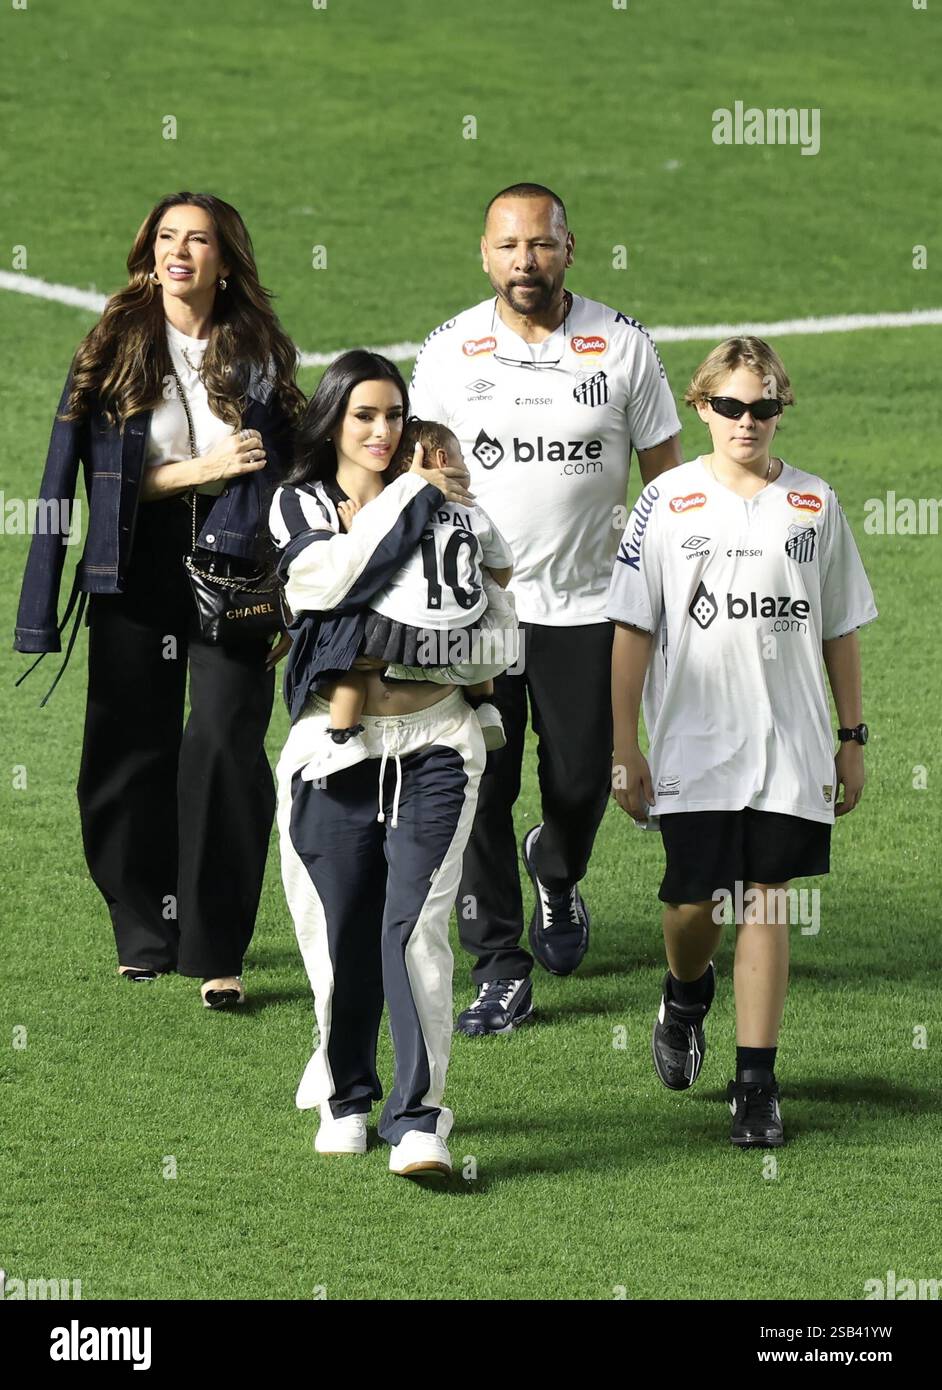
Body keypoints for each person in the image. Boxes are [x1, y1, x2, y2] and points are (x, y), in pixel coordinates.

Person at [14, 191, 303, 1008]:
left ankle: (215, 946)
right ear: (149, 252)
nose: (180, 251)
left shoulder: (259, 349)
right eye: (167, 237)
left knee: (223, 744)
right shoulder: (110, 344)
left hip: (239, 566)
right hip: (137, 564)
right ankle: (142, 930)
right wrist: (204, 471)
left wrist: (295, 591)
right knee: (127, 749)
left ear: (225, 258)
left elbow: (292, 469)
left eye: (199, 239)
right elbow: (76, 482)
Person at [409, 181, 683, 1035]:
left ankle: (556, 870)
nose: (525, 262)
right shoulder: (451, 352)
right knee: (478, 779)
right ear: (484, 254)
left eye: (541, 244)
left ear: (570, 247)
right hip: (479, 608)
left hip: (591, 606)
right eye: (509, 247)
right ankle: (499, 962)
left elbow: (666, 480)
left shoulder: (624, 346)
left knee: (580, 777)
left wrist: (672, 589)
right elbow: (417, 477)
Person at [607, 336, 877, 1146]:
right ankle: (687, 991)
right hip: (694, 744)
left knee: (768, 901)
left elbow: (841, 628)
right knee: (695, 905)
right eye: (730, 406)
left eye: (762, 407)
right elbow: (630, 630)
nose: (746, 420)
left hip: (791, 747)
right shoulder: (665, 503)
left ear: (780, 409)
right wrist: (627, 744)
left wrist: (852, 737)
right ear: (702, 408)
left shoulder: (815, 503)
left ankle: (755, 1083)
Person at [270, 351, 518, 1178]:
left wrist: (465, 662)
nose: (382, 432)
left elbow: (493, 605)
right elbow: (322, 584)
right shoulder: (299, 502)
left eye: (394, 416)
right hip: (330, 755)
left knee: (414, 932)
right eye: (363, 416)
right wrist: (415, 498)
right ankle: (346, 1097)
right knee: (340, 936)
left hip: (438, 747)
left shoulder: (449, 510)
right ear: (333, 421)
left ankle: (419, 1119)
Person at [309, 417, 514, 774]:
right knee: (482, 602)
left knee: (348, 647)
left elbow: (371, 552)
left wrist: (356, 525)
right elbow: (505, 570)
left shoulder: (390, 503)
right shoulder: (473, 510)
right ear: (438, 458)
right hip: (463, 645)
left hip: (397, 641)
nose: (466, 465)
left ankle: (342, 736)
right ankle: (484, 706)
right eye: (462, 456)